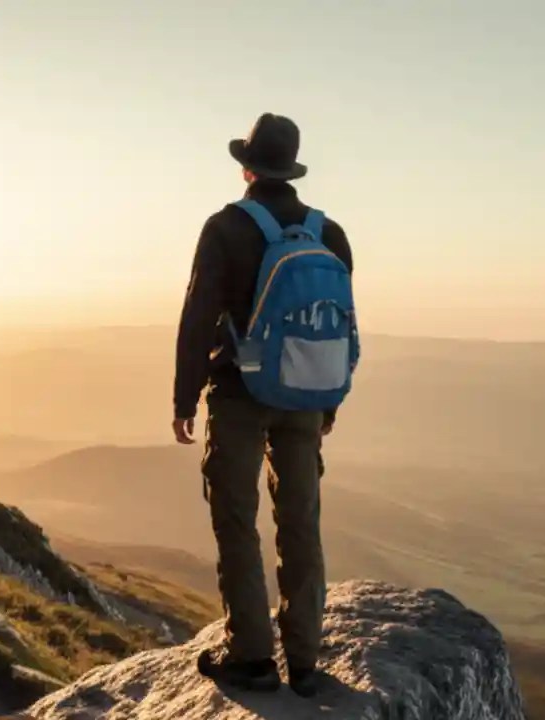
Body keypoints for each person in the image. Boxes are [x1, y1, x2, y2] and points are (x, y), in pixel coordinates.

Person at [173, 113, 353, 698]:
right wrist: (326, 402)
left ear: (247, 168)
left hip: (240, 395)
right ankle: (303, 659)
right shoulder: (330, 235)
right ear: (292, 169)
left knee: (236, 518)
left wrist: (184, 396)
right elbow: (334, 326)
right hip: (306, 398)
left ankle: (251, 656)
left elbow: (199, 315)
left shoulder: (226, 228)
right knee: (301, 523)